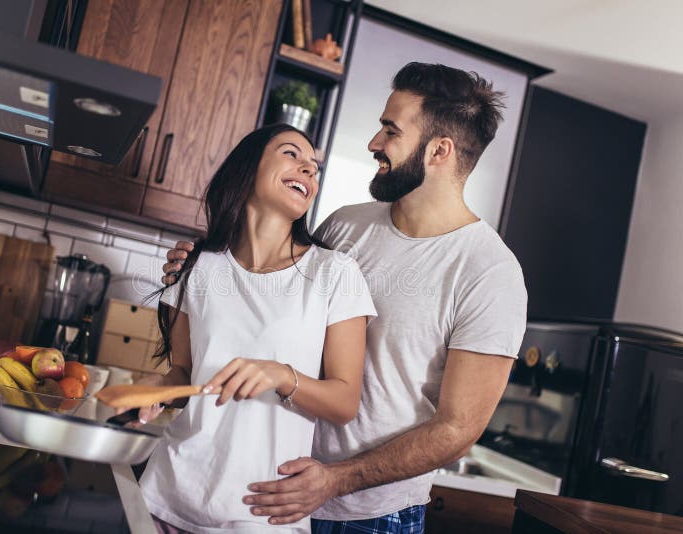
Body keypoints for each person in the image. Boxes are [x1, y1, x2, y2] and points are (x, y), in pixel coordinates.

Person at [162, 62, 527, 533]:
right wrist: (195, 268)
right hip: (270, 493)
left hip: (371, 515)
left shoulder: (490, 272)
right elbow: (259, 301)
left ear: (439, 150)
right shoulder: (346, 225)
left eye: (390, 131)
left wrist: (335, 480)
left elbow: (457, 431)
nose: (374, 143)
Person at [138, 124, 377, 533]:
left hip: (261, 513)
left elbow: (344, 402)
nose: (308, 169)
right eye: (292, 154)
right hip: (169, 495)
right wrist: (158, 389)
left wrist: (283, 375)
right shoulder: (198, 265)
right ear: (249, 168)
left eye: (314, 167)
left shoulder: (334, 273)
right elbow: (185, 373)